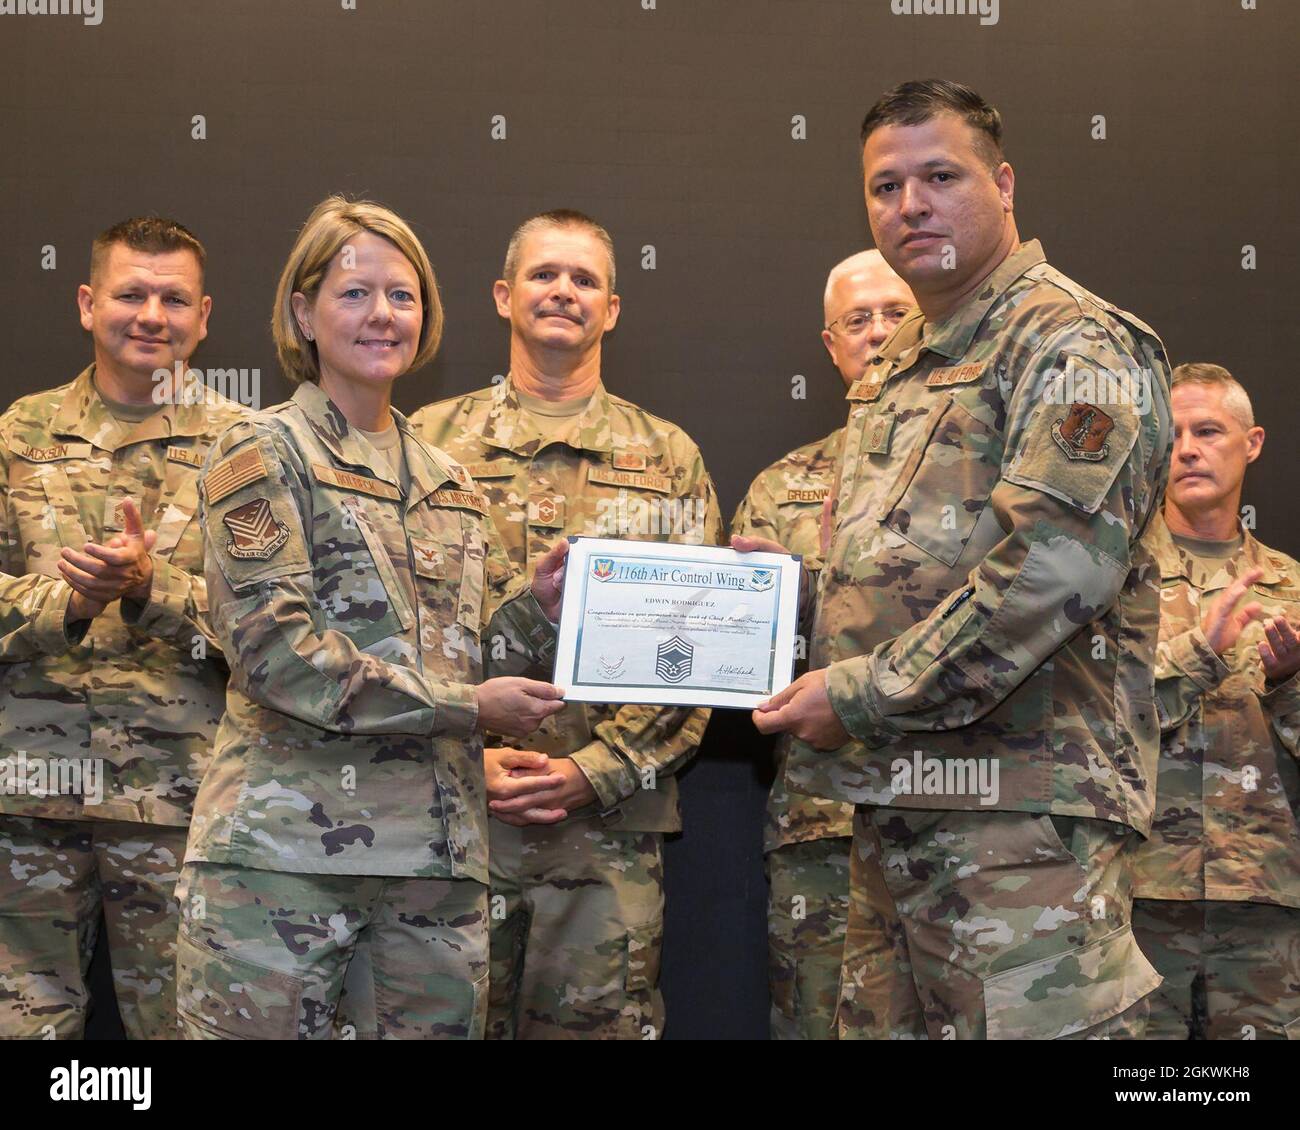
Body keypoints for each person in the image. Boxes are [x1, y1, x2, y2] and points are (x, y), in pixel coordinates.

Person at [747, 79, 1173, 1039]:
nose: (911, 206)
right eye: (886, 186)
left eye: (940, 176)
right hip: (895, 804)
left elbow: (1052, 575)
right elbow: (912, 573)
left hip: (1022, 824)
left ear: (1005, 183)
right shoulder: (901, 363)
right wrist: (781, 599)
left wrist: (857, 694)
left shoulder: (1073, 343)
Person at [175, 197, 568, 1040]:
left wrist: (536, 616)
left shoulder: (450, 479)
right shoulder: (262, 451)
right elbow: (280, 655)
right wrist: (471, 710)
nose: (382, 315)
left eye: (403, 295)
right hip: (284, 866)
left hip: (437, 868)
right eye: (354, 293)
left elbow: (468, 654)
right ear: (302, 311)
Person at [409, 209, 722, 1039]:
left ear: (612, 308)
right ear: (505, 296)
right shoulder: (422, 447)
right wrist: (462, 750)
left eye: (585, 279)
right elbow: (392, 627)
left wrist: (601, 766)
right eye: (545, 274)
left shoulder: (668, 459)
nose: (564, 292)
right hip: (450, 820)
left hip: (605, 836)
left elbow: (700, 655)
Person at [0, 216, 249, 1038]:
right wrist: (62, 604)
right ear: (86, 302)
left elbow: (277, 628)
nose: (151, 315)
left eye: (173, 298)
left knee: (188, 1028)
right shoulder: (18, 435)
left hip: (181, 802)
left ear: (204, 316)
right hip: (28, 800)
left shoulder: (247, 449)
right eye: (130, 293)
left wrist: (153, 589)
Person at [731, 250, 913, 1039]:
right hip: (823, 823)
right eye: (857, 320)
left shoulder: (986, 466)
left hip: (960, 809)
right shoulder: (783, 488)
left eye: (896, 315)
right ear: (831, 345)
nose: (877, 333)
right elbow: (741, 666)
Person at [1131, 363, 1300, 1040]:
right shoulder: (1114, 580)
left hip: (1263, 900)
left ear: (1252, 442)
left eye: (1208, 431)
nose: (1188, 449)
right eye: (1171, 436)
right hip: (1138, 895)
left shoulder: (1291, 585)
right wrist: (1195, 655)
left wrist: (1289, 683)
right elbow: (1090, 727)